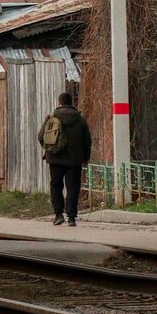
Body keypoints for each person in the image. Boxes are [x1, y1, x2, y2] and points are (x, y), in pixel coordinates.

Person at [38, 92, 92, 226]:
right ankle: (72, 218)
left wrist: (49, 150)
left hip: (55, 158)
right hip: (74, 160)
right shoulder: (80, 120)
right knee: (72, 187)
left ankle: (58, 215)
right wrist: (86, 157)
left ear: (59, 102)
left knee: (56, 186)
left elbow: (41, 136)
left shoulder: (51, 118)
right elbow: (87, 141)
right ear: (72, 102)